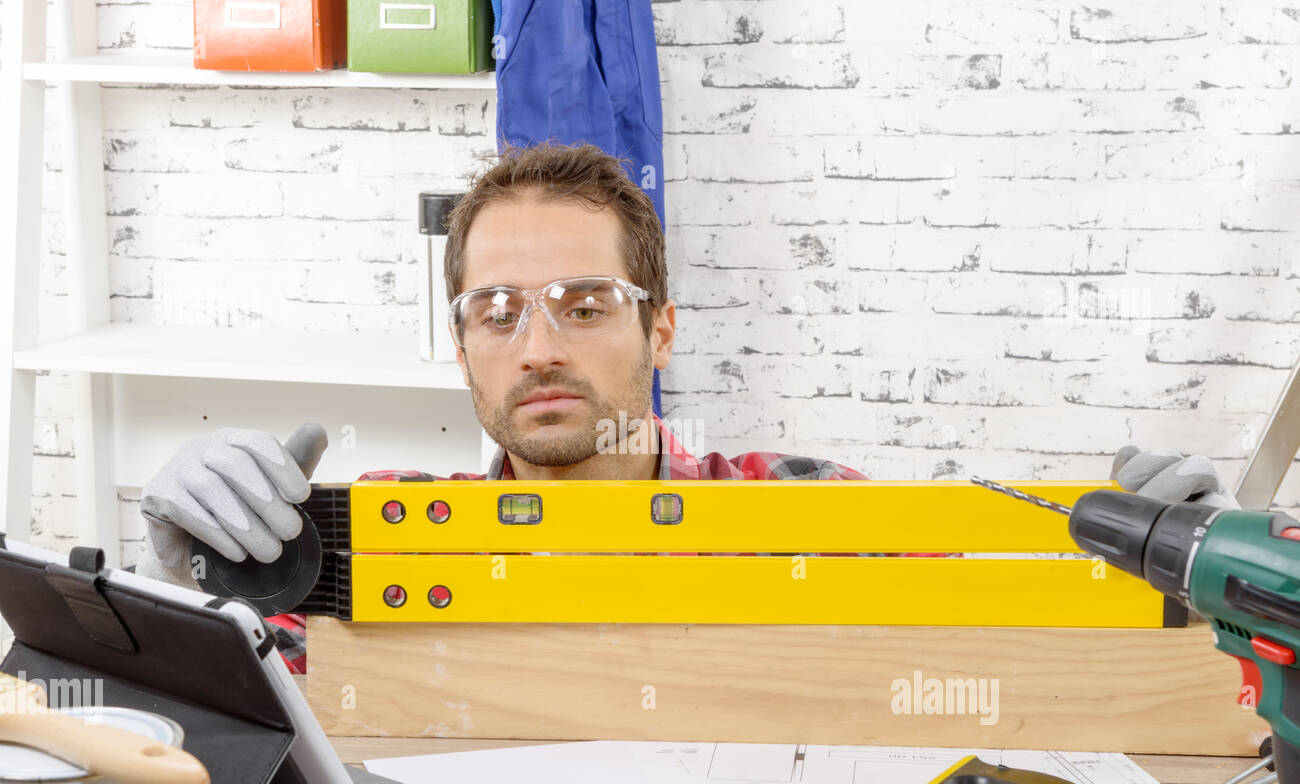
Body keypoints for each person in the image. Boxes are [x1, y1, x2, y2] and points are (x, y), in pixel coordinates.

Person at [133, 143, 1240, 671]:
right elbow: (215, 715)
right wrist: (176, 581)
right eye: (496, 311)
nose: (539, 346)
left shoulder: (814, 516)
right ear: (464, 349)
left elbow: (1011, 632)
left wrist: (1179, 586)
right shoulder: (365, 542)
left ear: (660, 330)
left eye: (581, 303)